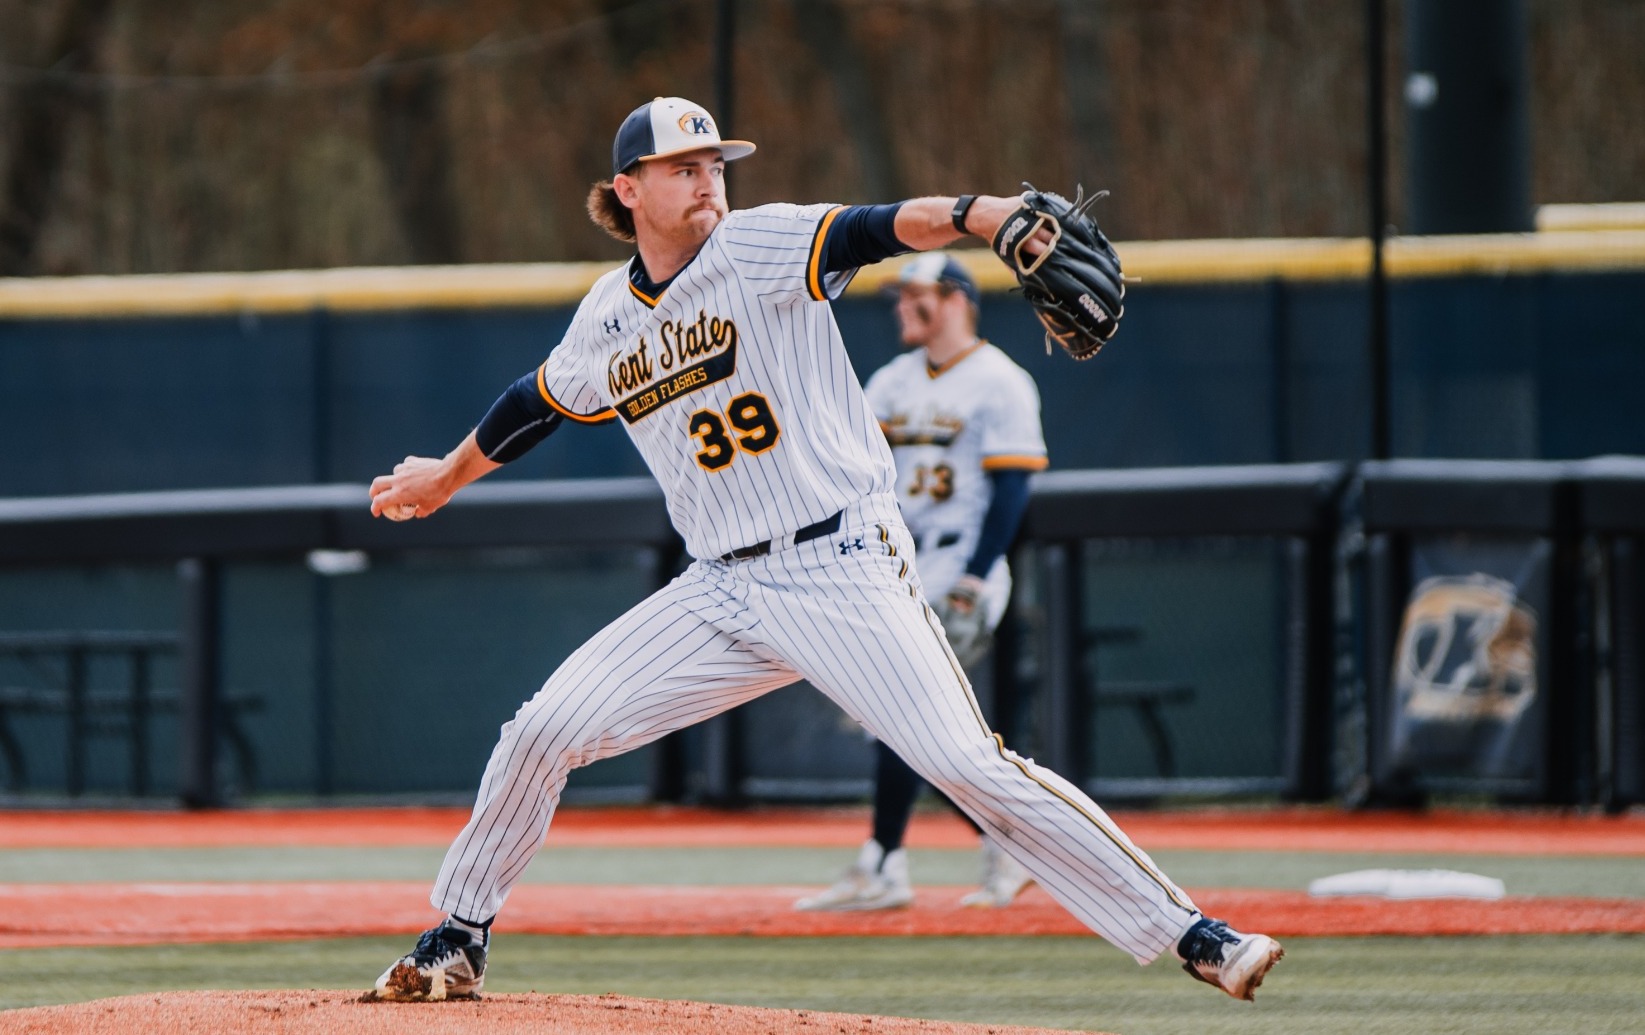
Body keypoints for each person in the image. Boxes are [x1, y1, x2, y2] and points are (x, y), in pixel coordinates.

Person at [366, 96, 1283, 1003]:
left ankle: (1194, 932)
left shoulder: (754, 245)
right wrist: (446, 476)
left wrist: (983, 214)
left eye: (714, 165)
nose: (707, 182)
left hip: (839, 561)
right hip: (719, 587)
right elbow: (538, 401)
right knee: (541, 731)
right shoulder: (607, 314)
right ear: (628, 190)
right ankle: (458, 935)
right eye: (683, 168)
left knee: (964, 763)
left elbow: (878, 228)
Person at [794, 254, 1042, 912]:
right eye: (899, 296)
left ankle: (885, 862)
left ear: (956, 298)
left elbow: (1012, 491)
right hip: (893, 563)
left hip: (960, 561)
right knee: (908, 722)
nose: (902, 305)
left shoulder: (1000, 381)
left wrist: (975, 576)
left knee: (900, 716)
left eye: (916, 294)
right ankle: (998, 844)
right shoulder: (892, 379)